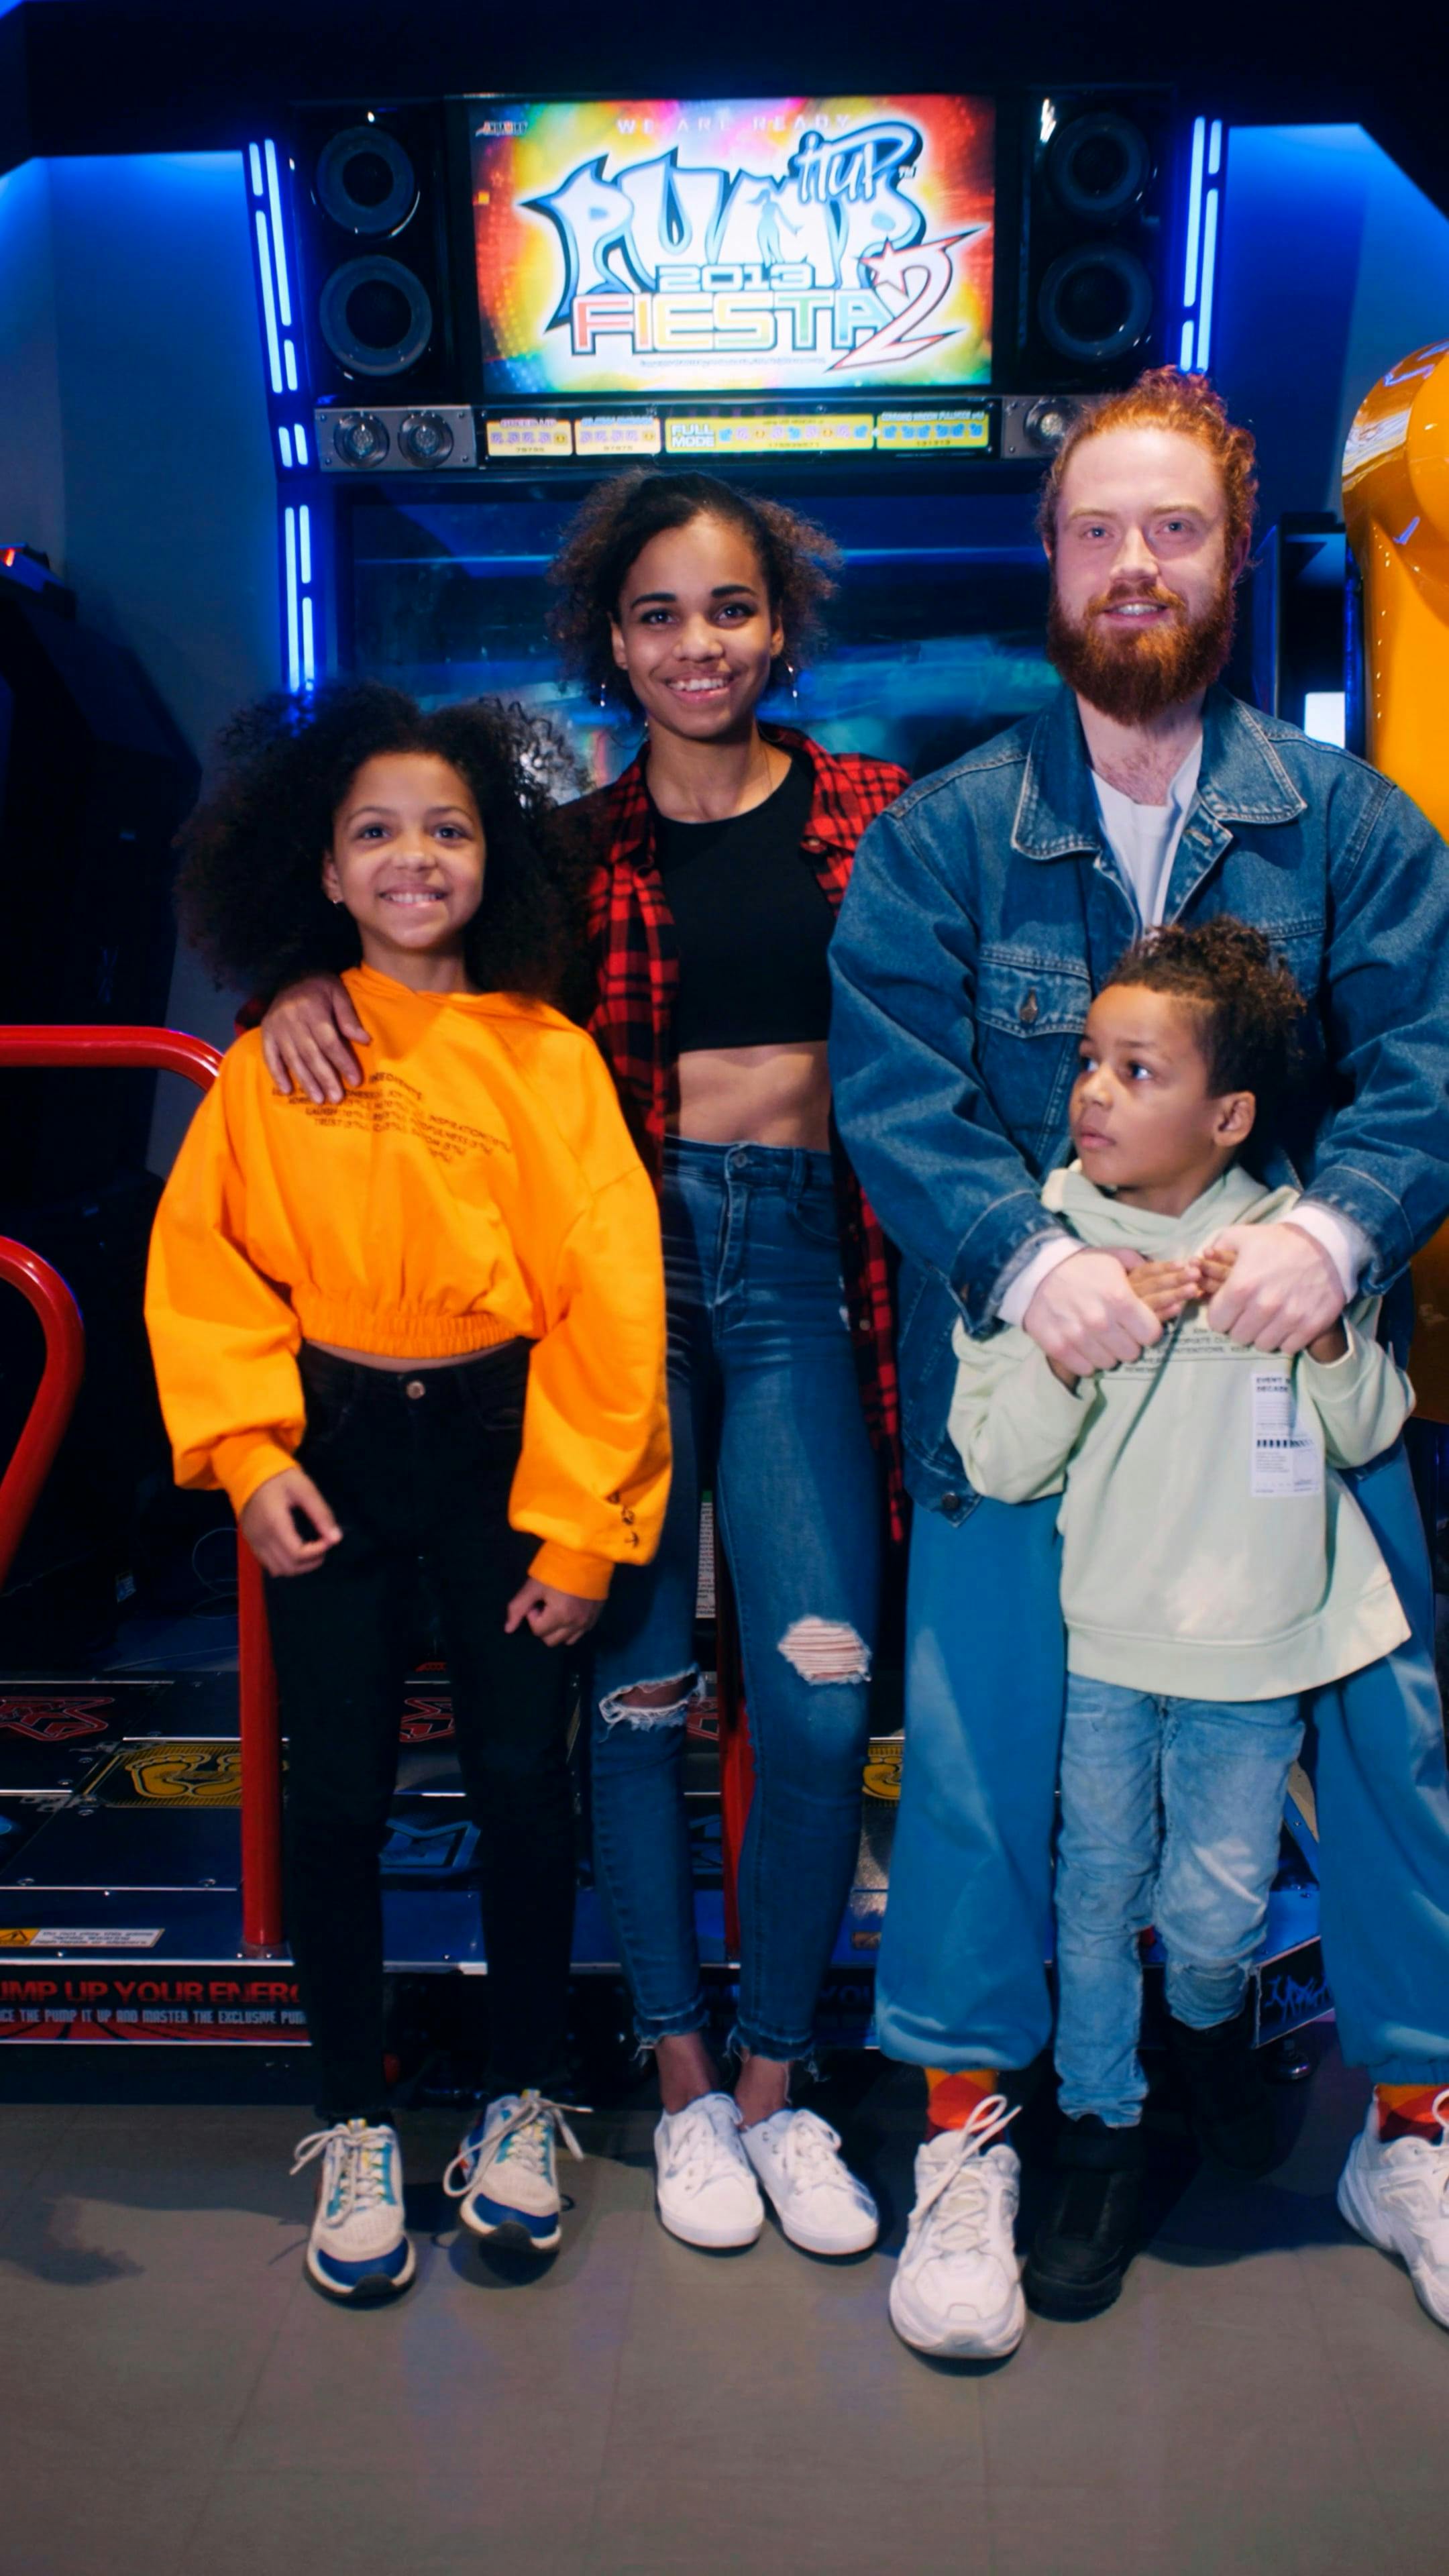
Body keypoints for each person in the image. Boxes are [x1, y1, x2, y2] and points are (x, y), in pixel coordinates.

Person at [829, 366, 1449, 2359]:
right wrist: (1021, 1263)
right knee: (992, 1777)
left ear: (1234, 556)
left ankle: (1412, 2131)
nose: (1132, 565)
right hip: (1051, 1403)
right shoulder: (946, 837)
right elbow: (897, 1091)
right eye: (1097, 527)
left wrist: (1336, 1229)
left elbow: (1428, 1063)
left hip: (1294, 1388)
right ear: (1050, 554)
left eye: (1173, 528)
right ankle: (972, 2134)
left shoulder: (1352, 826)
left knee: (1393, 1755)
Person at [260, 471, 906, 2262]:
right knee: (625, 1696)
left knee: (818, 1693)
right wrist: (295, 983)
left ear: (780, 625)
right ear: (606, 641)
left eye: (728, 610)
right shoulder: (568, 854)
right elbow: (425, 969)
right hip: (616, 1284)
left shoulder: (884, 813)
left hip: (798, 1274)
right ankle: (684, 2079)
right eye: (655, 615)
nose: (695, 644)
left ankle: (779, 2084)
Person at [146, 682, 670, 2304]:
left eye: (446, 829)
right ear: (320, 869)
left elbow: (609, 1298)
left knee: (524, 1779)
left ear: (493, 858)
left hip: (507, 1449)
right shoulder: (274, 1053)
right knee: (339, 1796)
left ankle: (522, 2098)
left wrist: (583, 1528)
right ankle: (354, 2115)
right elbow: (205, 1265)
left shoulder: (549, 1055)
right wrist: (249, 1453)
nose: (413, 856)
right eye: (375, 831)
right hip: (332, 1451)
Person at [948, 919, 1413, 2328]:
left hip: (1252, 1652)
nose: (1092, 1090)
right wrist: (1078, 1340)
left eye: (1135, 1069)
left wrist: (1325, 1331)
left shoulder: (1296, 1242)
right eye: (1088, 1060)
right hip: (1101, 1648)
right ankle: (1098, 2127)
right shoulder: (1039, 1244)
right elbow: (998, 1457)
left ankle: (1208, 2030)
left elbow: (1370, 1425)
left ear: (1227, 1117)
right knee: (1095, 1893)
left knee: (1213, 1906)